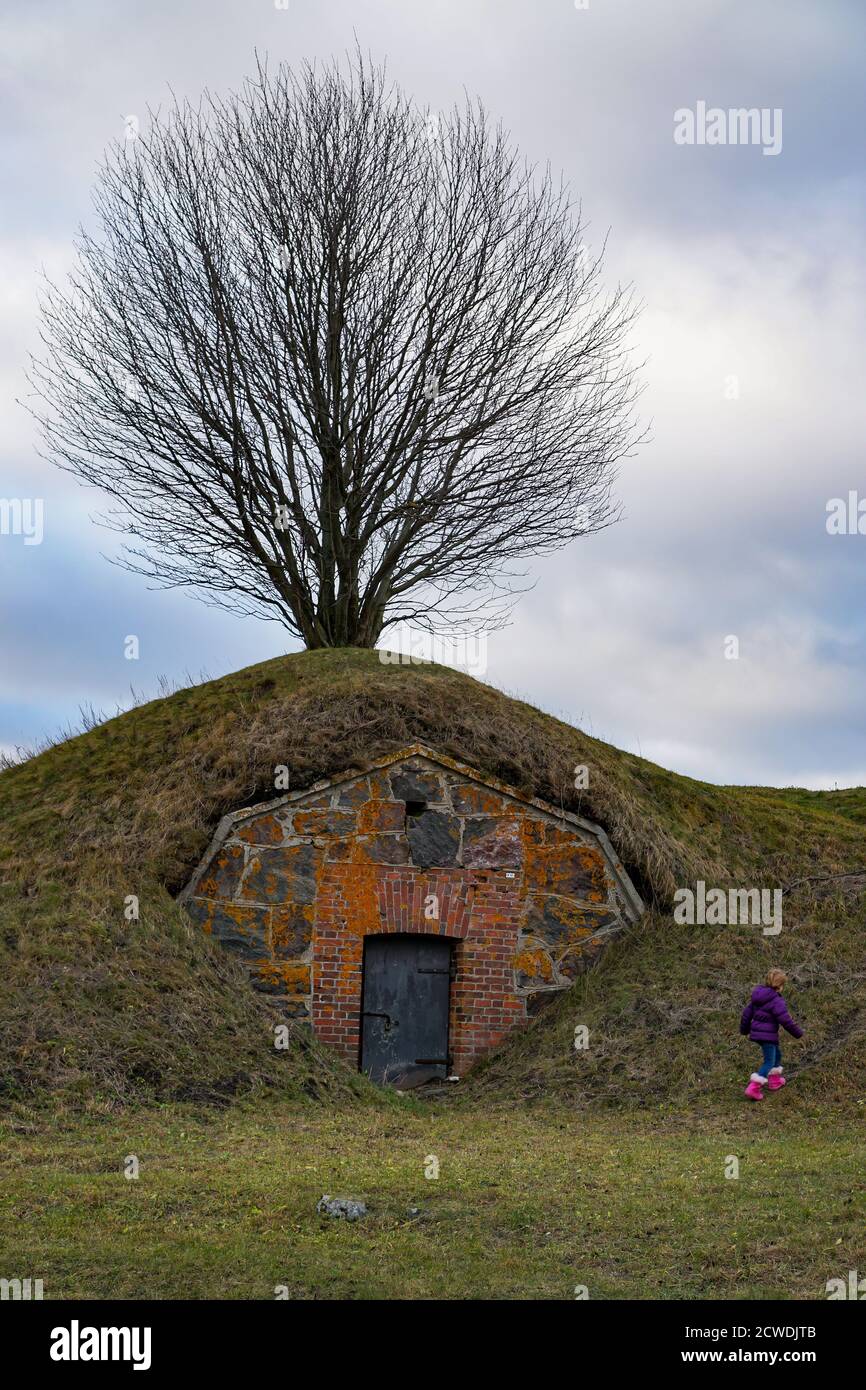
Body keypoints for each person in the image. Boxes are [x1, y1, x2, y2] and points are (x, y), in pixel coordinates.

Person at [740, 968, 803, 1100]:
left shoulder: (757, 997)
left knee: (777, 1054)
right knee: (769, 1061)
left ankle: (774, 1082)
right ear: (779, 986)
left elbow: (746, 1015)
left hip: (759, 1034)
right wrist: (798, 1033)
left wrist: (745, 1030)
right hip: (767, 1035)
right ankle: (753, 1088)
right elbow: (785, 1020)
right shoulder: (776, 1000)